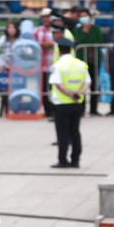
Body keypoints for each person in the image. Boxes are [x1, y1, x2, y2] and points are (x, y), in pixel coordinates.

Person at [48, 31, 89, 169]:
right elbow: (87, 82)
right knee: (75, 132)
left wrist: (70, 94)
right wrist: (78, 93)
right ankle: (76, 160)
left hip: (62, 104)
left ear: (59, 50)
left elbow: (57, 84)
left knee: (62, 134)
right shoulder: (81, 64)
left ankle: (63, 160)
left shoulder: (58, 65)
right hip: (77, 103)